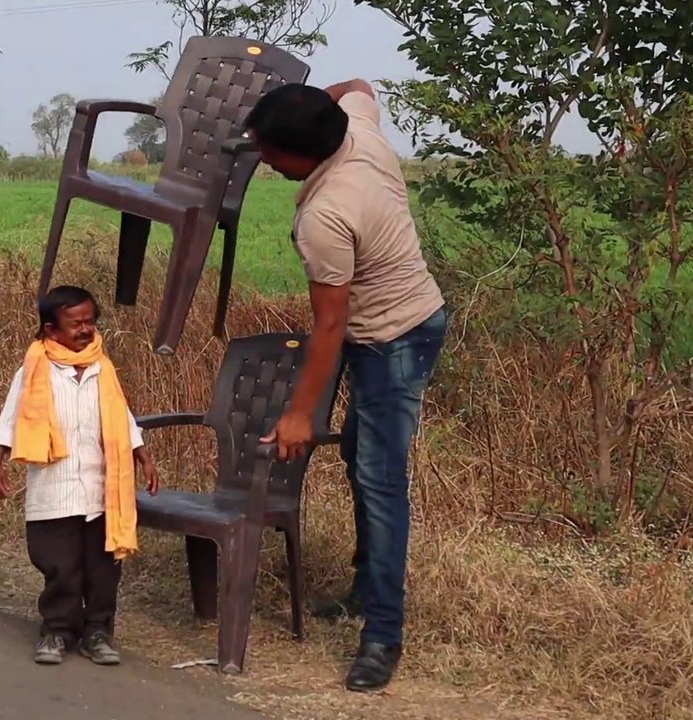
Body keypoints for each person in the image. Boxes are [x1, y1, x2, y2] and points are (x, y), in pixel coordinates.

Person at [243, 80, 448, 692]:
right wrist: (308, 102)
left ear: (302, 156)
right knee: (362, 456)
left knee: (380, 480)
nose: (263, 160)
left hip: (395, 337)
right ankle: (364, 589)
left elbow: (329, 326)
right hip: (399, 321)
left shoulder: (325, 216)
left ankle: (383, 635)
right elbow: (359, 85)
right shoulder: (356, 128)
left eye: (269, 151)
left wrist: (300, 415)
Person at [0, 285, 159, 666]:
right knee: (60, 566)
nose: (84, 330)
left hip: (102, 489)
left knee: (103, 567)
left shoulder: (103, 368)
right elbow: (10, 418)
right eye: (74, 324)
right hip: (55, 488)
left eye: (89, 322)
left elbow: (123, 419)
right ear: (51, 330)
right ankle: (57, 631)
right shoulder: (35, 370)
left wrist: (143, 456)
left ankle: (97, 631)